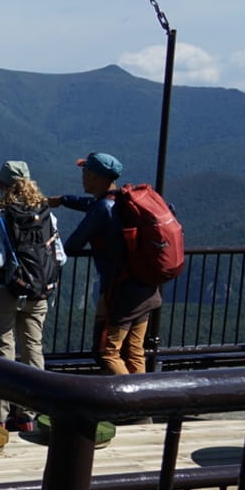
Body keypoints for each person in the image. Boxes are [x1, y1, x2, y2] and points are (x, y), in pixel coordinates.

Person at [0, 160, 65, 430]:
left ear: (2, 185)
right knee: (33, 351)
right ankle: (29, 415)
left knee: (3, 352)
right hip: (39, 293)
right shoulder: (47, 214)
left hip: (5, 291)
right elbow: (61, 256)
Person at [50, 152, 161, 374]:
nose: (82, 177)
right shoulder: (123, 200)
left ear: (96, 176)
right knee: (134, 351)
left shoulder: (102, 209)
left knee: (106, 352)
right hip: (147, 286)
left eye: (85, 172)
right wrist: (63, 200)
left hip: (121, 292)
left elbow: (72, 245)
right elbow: (92, 204)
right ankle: (143, 404)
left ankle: (130, 402)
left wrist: (50, 241)